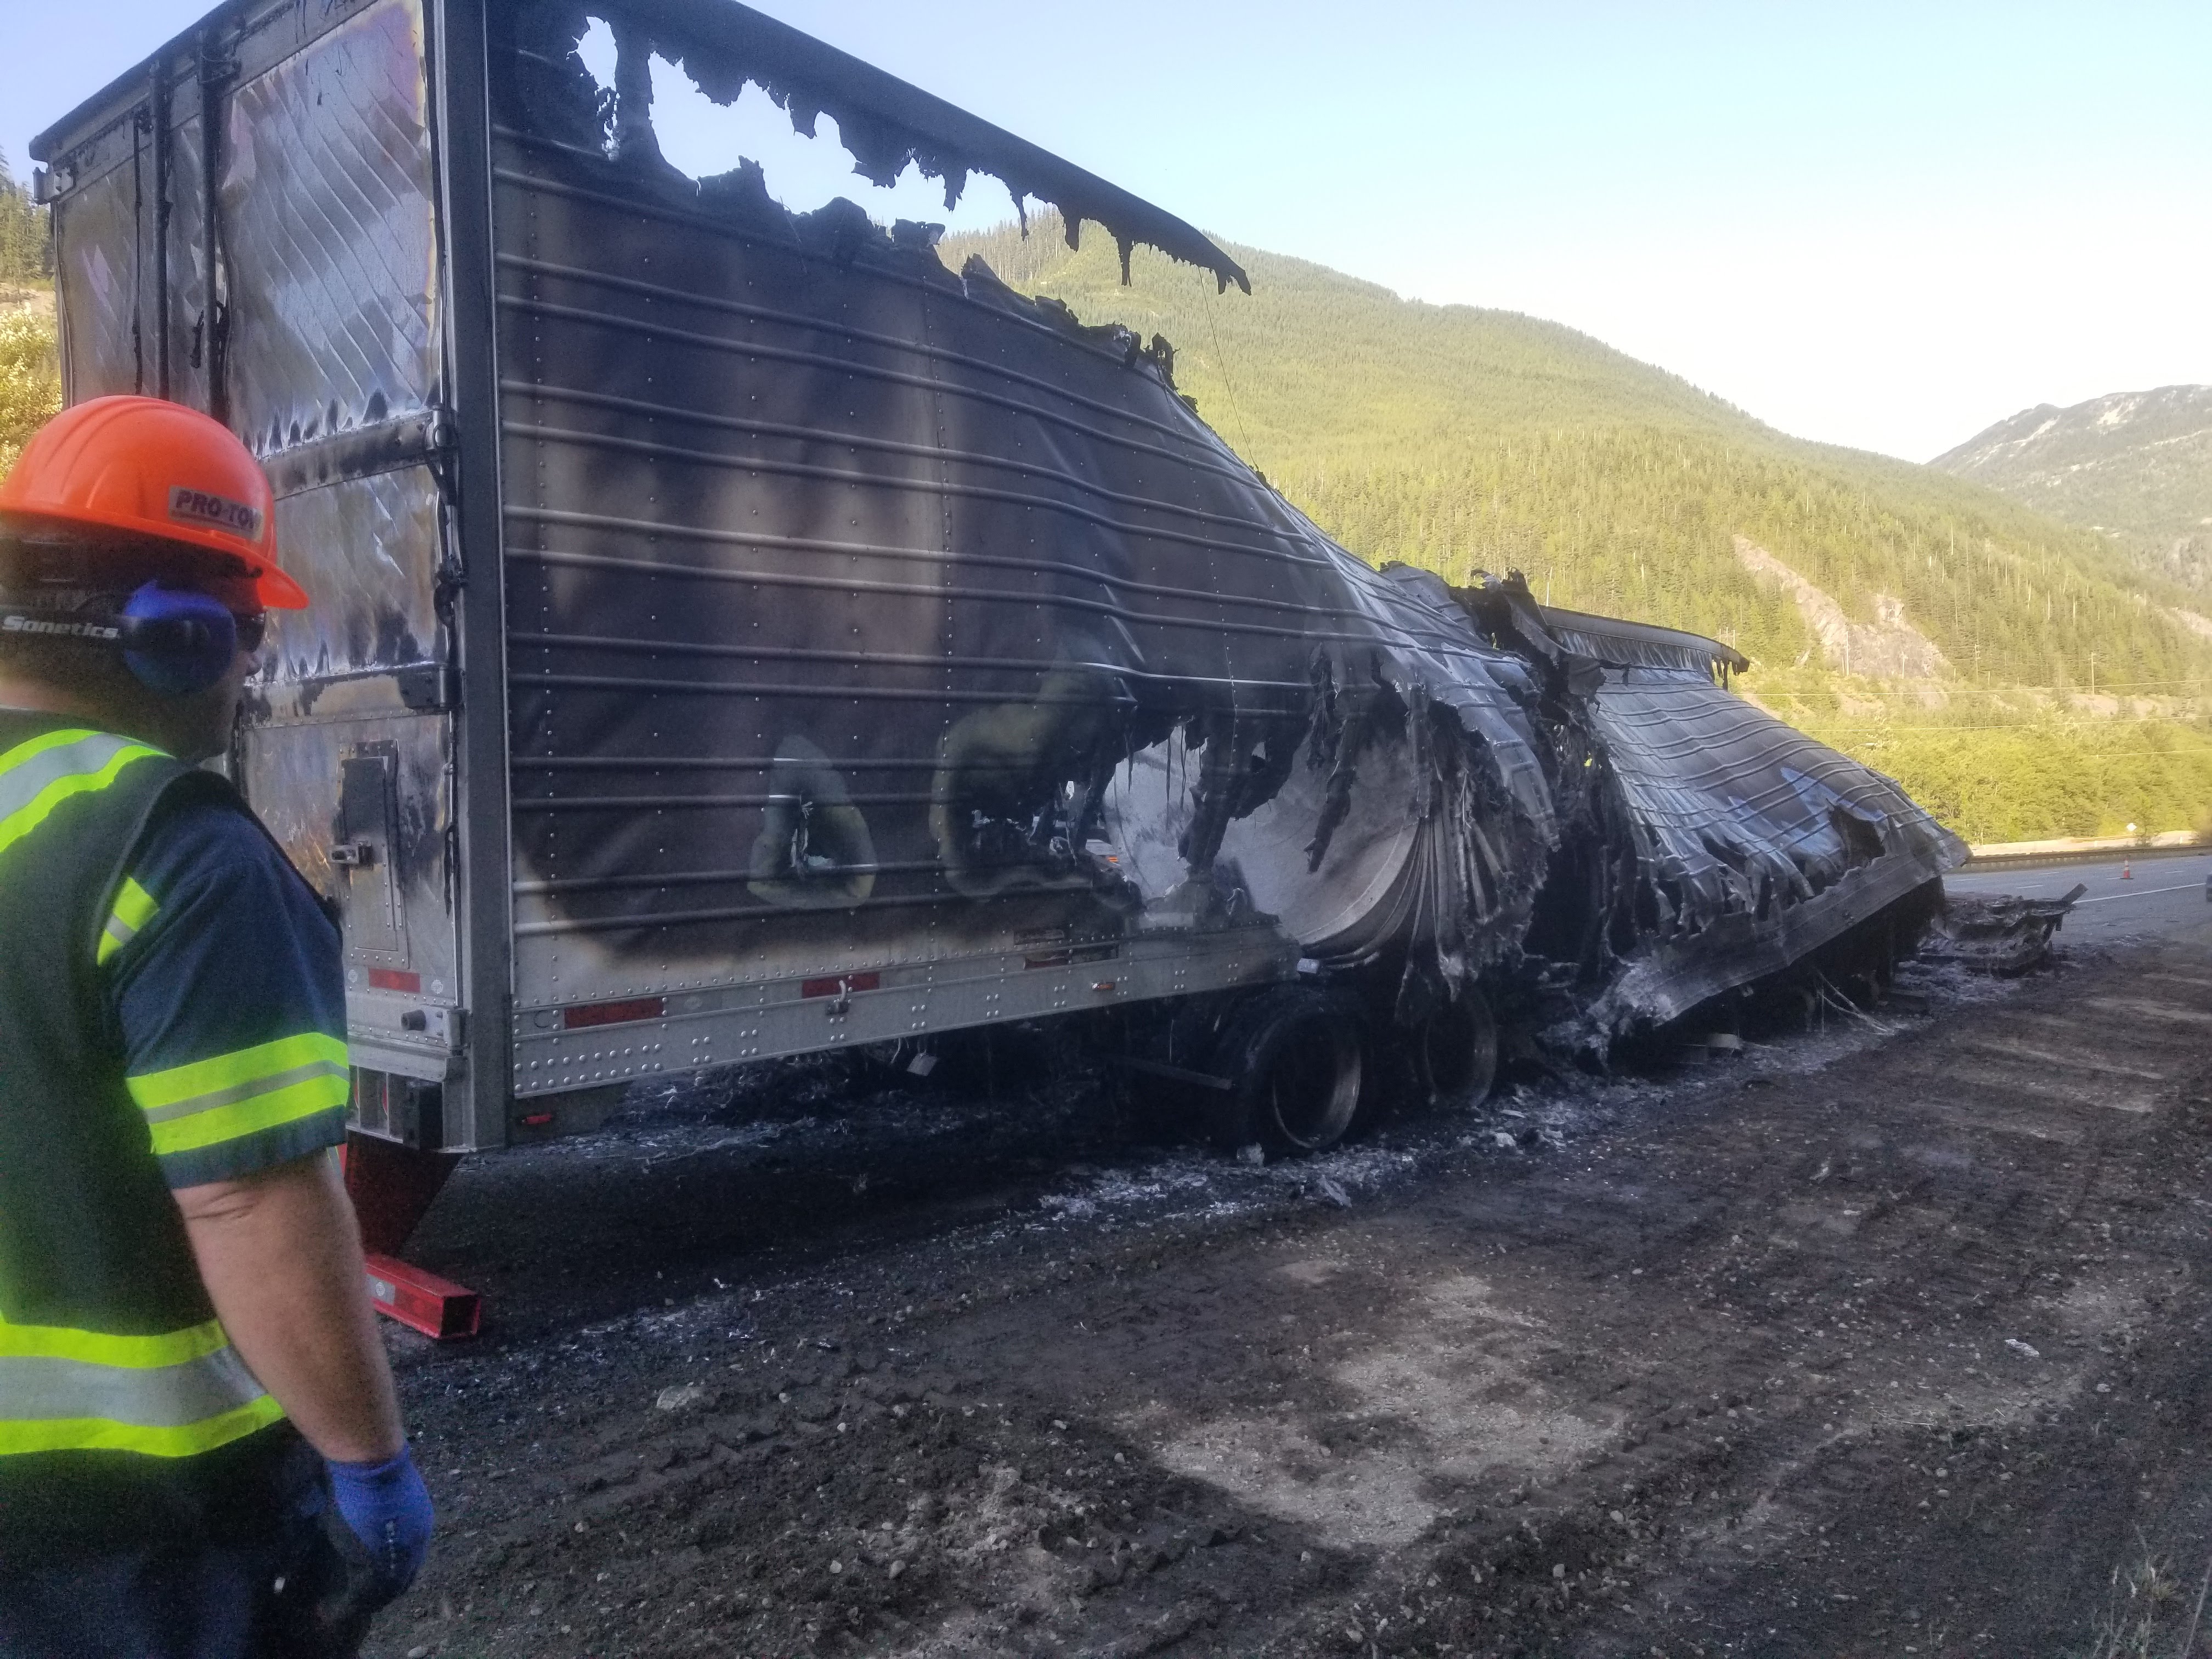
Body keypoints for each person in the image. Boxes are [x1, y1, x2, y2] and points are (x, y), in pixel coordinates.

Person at [0, 396, 433, 1656]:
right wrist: (370, 1463)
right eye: (245, 632)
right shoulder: (172, 855)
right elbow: (252, 1205)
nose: (250, 669)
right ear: (173, 636)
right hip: (136, 1545)